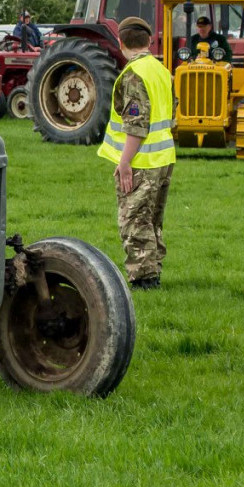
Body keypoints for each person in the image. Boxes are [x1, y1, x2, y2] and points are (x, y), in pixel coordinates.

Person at [97, 17, 176, 290]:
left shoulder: (133, 74)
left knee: (135, 220)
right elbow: (171, 113)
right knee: (152, 220)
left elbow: (136, 125)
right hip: (163, 158)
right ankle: (153, 271)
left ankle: (144, 279)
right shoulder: (161, 70)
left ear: (120, 42)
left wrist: (125, 162)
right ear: (149, 41)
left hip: (141, 160)